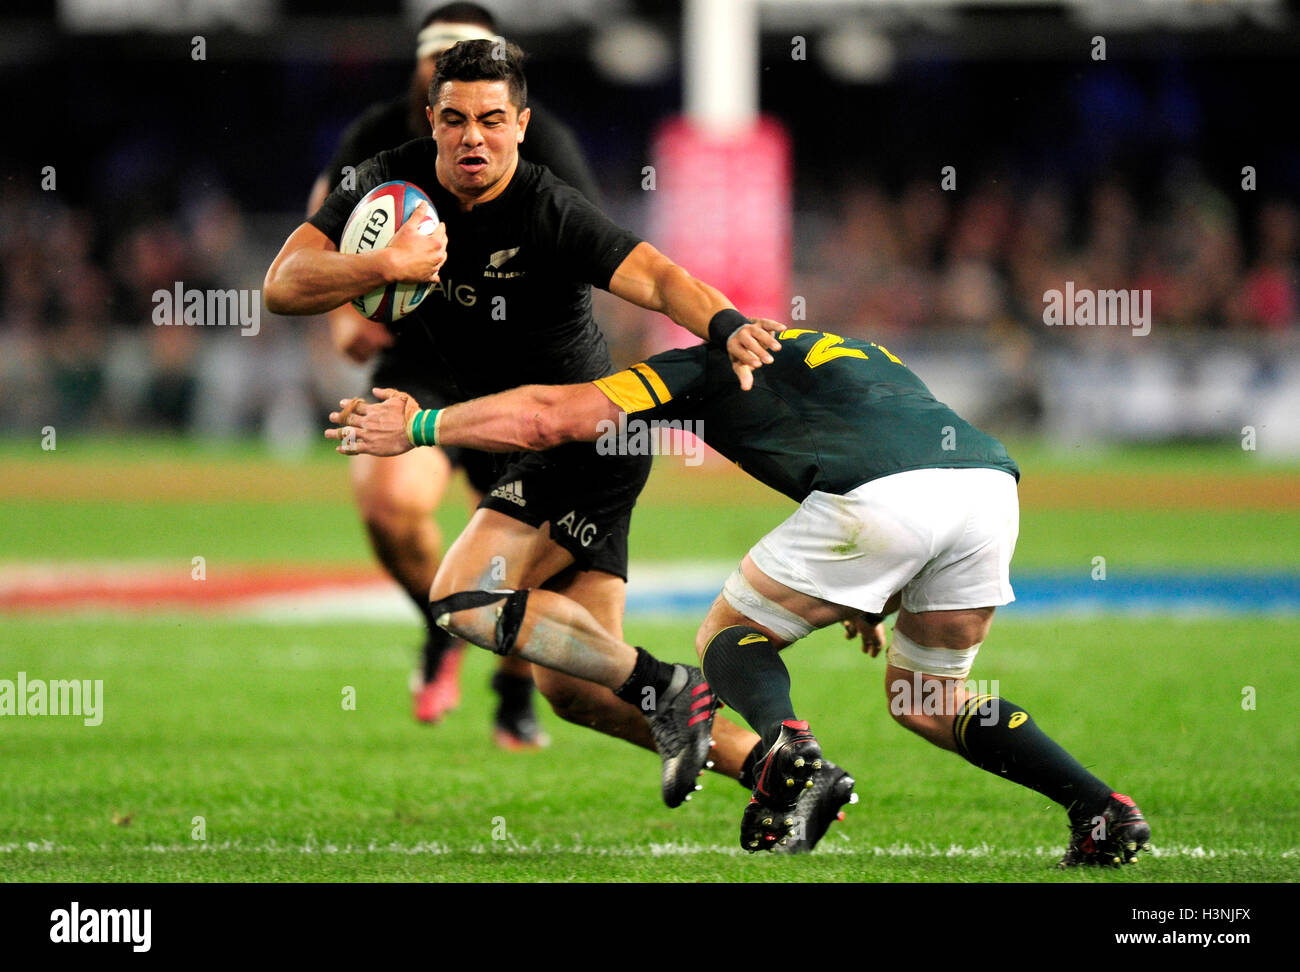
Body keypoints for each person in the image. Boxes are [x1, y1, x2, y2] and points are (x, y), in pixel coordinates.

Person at [266, 39, 853, 846]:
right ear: (432, 123)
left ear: (521, 124)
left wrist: (724, 323)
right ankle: (785, 775)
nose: (476, 138)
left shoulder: (546, 206)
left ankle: (672, 688)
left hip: (585, 444)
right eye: (458, 120)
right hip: (530, 446)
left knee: (462, 600)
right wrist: (386, 262)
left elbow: (653, 275)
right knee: (573, 686)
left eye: (494, 120)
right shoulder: (384, 183)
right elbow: (283, 284)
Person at [327, 325, 1151, 866]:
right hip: (986, 489)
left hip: (884, 498)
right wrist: (878, 581)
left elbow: (558, 415)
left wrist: (426, 427)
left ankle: (790, 752)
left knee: (728, 638)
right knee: (929, 700)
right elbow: (877, 442)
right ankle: (1099, 808)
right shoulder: (850, 348)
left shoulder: (697, 364)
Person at [306, 2, 602, 742]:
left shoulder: (548, 144)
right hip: (423, 356)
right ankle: (441, 622)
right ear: (422, 65)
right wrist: (346, 310)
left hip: (519, 368)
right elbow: (321, 215)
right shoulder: (378, 137)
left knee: (531, 538)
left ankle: (510, 686)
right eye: (441, 55)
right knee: (387, 503)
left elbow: (590, 252)